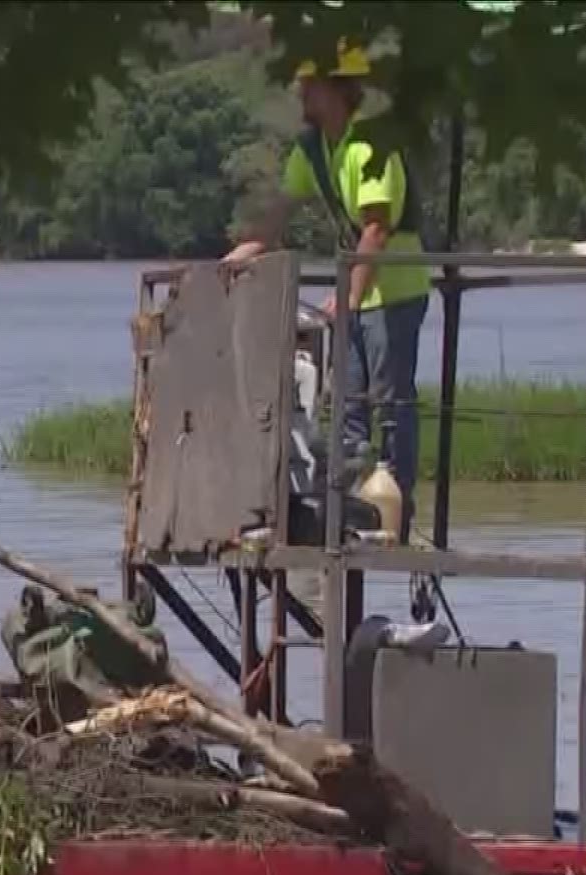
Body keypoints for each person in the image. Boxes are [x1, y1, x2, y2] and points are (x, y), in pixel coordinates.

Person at [222, 40, 432, 539]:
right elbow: (277, 214)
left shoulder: (368, 146)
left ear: (335, 90)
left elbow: (376, 228)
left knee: (390, 401)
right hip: (359, 290)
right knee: (349, 402)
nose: (300, 93)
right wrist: (234, 258)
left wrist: (351, 298)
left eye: (308, 86)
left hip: (395, 289)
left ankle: (396, 512)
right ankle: (354, 510)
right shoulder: (315, 150)